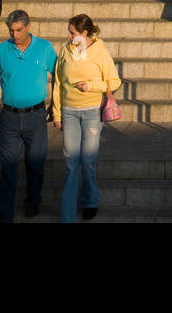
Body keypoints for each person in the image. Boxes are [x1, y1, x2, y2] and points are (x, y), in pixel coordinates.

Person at [0, 9, 58, 222]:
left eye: (18, 30)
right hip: (8, 115)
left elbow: (58, 75)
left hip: (36, 115)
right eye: (11, 30)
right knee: (8, 167)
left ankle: (33, 201)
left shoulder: (44, 48)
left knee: (35, 164)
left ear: (28, 27)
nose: (15, 35)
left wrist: (55, 104)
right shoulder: (1, 50)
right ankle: (5, 215)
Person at [52, 15, 121, 223]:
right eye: (69, 31)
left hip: (92, 111)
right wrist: (57, 113)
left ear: (84, 34)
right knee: (71, 163)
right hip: (69, 111)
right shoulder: (66, 50)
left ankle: (91, 200)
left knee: (88, 161)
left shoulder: (100, 51)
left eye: (72, 32)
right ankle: (67, 214)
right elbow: (57, 82)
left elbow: (114, 81)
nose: (69, 35)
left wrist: (92, 86)